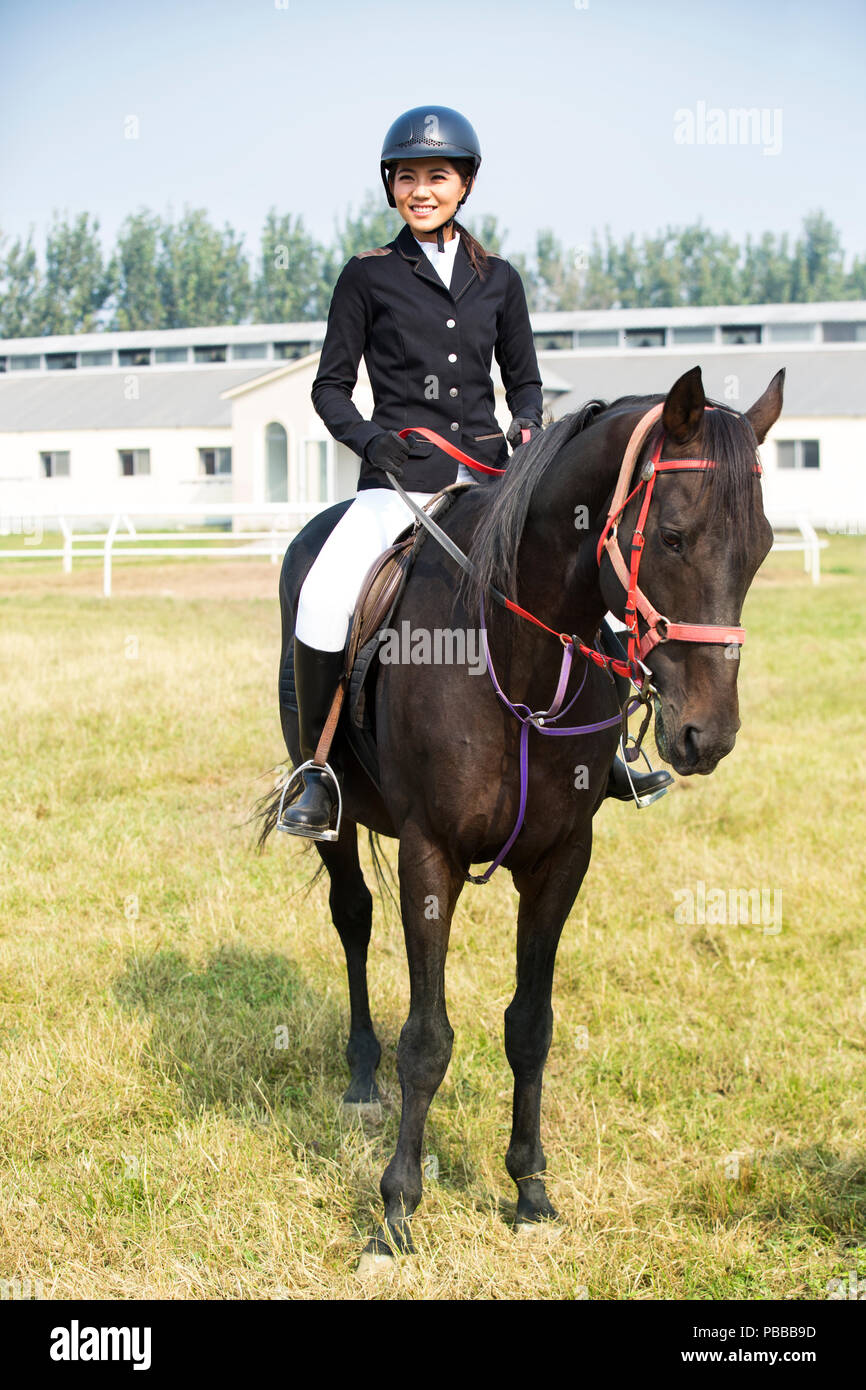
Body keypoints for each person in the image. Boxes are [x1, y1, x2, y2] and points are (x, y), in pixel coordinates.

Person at [279, 106, 671, 840]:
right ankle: (318, 773)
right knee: (325, 597)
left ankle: (613, 749)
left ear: (464, 185)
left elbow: (525, 381)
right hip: (402, 483)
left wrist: (526, 421)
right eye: (407, 177)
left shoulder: (500, 279)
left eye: (437, 176)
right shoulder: (366, 276)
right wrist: (370, 440)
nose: (421, 190)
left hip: (493, 481)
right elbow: (329, 387)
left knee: (600, 595)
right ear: (391, 187)